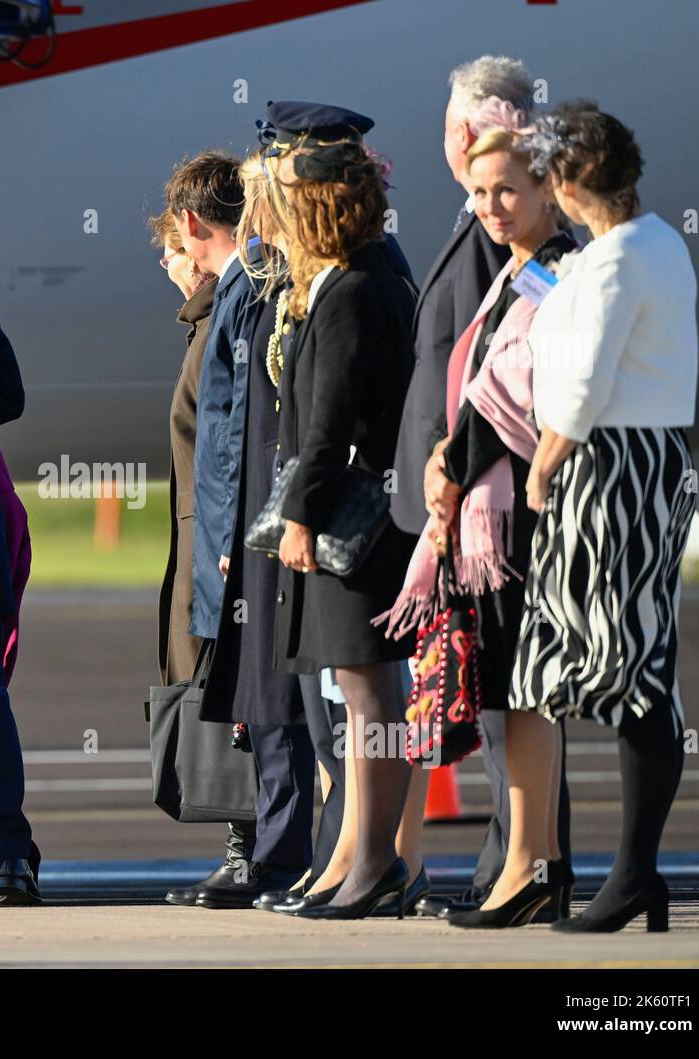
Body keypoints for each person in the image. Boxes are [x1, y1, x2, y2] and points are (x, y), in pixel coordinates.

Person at [378, 123, 577, 927]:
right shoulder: (518, 271)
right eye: (479, 191)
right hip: (484, 506)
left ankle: (533, 864)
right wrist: (440, 460)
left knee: (524, 695)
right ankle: (531, 866)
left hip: (519, 518)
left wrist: (451, 463)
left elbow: (519, 393)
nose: (491, 206)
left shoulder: (556, 271)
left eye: (507, 190)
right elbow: (475, 386)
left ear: (547, 189)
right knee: (509, 697)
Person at [245, 104, 432, 919]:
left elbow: (329, 422)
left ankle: (376, 865)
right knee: (362, 697)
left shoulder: (354, 289)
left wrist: (298, 516)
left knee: (369, 698)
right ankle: (358, 857)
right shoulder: (358, 279)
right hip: (358, 518)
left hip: (353, 525)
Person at [514, 103, 697, 933]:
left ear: (573, 180)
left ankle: (631, 874)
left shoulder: (620, 259)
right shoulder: (645, 244)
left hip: (609, 466)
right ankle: (632, 874)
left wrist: (546, 462)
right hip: (631, 458)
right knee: (627, 660)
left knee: (630, 668)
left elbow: (586, 379)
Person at [171, 150, 308, 907]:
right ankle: (267, 850)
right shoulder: (250, 287)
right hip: (248, 522)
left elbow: (233, 427)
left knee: (275, 697)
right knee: (259, 697)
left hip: (257, 523)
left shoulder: (262, 287)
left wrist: (226, 538)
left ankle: (280, 854)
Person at [144, 210, 258, 908]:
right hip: (203, 534)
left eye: (169, 249)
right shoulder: (207, 318)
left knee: (235, 691)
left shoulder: (226, 312)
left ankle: (253, 850)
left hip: (214, 537)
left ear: (192, 231)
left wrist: (222, 542)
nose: (167, 265)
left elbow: (227, 437)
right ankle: (251, 846)